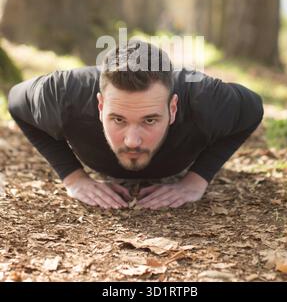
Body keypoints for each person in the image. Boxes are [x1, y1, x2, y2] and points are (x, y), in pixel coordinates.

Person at [7, 40, 264, 210]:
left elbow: (253, 110)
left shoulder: (205, 100)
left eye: (149, 120)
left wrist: (197, 180)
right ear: (100, 106)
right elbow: (16, 102)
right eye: (118, 119)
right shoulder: (65, 95)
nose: (132, 141)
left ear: (173, 108)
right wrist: (73, 177)